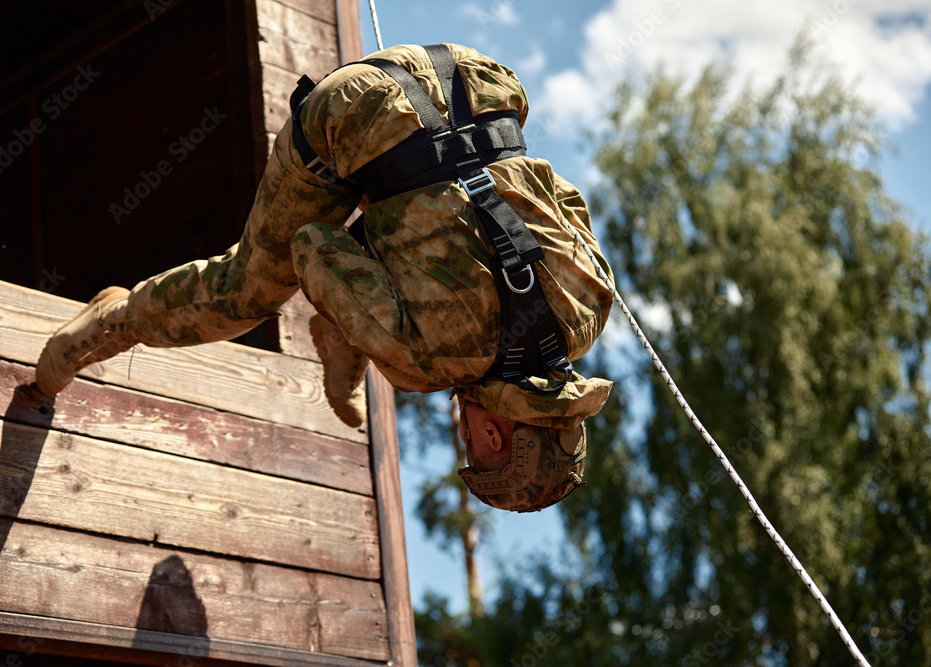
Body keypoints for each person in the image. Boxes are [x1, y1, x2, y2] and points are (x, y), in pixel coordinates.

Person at [35, 43, 616, 513]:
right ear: (495, 439)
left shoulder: (590, 313)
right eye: (473, 446)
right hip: (351, 113)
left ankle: (350, 339)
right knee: (245, 293)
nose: (462, 434)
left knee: (388, 273)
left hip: (478, 81)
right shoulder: (432, 365)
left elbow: (561, 196)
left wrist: (433, 228)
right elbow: (314, 244)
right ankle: (109, 323)